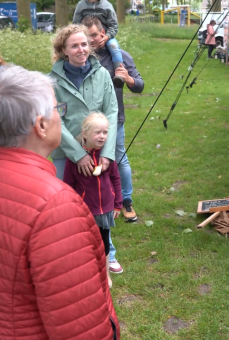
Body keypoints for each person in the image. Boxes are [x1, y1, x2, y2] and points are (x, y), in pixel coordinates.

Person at [0, 63, 120, 339]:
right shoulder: (56, 205)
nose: (61, 115)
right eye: (57, 109)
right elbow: (79, 324)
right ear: (41, 125)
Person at [81, 16, 144, 274]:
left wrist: (128, 79)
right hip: (86, 125)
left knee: (118, 160)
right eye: (87, 37)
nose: (92, 41)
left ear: (104, 33)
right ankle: (94, 208)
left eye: (95, 35)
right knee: (90, 166)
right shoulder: (82, 57)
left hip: (113, 121)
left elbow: (140, 86)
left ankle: (125, 201)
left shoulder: (119, 55)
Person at [49, 25, 118, 183]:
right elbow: (55, 121)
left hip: (98, 152)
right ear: (64, 50)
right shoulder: (52, 82)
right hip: (65, 155)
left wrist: (107, 153)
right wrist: (78, 154)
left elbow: (111, 113)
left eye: (84, 44)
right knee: (64, 197)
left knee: (98, 197)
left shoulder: (103, 74)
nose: (81, 50)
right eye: (74, 46)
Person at [63, 112, 123, 287]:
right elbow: (68, 185)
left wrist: (118, 204)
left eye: (105, 132)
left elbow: (116, 179)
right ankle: (87, 274)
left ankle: (105, 275)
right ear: (85, 133)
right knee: (86, 243)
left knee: (104, 242)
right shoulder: (75, 159)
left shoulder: (107, 156)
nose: (102, 136)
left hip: (105, 210)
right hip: (85, 210)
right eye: (97, 132)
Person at [72, 0, 126, 88]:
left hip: (106, 37)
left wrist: (107, 37)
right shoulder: (81, 5)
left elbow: (114, 25)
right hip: (86, 38)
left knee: (114, 47)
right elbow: (75, 24)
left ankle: (119, 73)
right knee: (76, 50)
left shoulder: (107, 6)